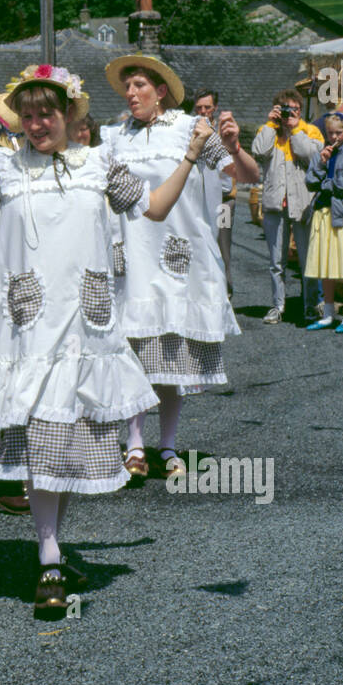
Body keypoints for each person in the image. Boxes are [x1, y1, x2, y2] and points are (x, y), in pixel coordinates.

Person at [0, 63, 207, 613]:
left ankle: (54, 553)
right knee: (42, 450)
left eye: (48, 112)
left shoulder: (100, 164)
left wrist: (187, 159)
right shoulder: (1, 168)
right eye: (29, 114)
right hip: (29, 337)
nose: (38, 123)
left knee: (62, 455)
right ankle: (48, 561)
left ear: (69, 115)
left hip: (87, 336)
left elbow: (155, 208)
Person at [102, 54, 258, 478]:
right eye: (128, 88)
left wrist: (235, 147)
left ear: (161, 91)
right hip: (132, 255)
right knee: (132, 353)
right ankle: (134, 444)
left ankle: (167, 445)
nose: (131, 94)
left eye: (139, 86)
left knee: (171, 359)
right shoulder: (114, 136)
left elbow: (246, 175)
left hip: (177, 255)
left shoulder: (191, 129)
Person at [251, 89, 324, 324]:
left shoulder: (310, 131)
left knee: (306, 259)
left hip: (302, 203)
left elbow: (310, 156)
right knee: (276, 261)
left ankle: (311, 304)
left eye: (292, 109)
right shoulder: (268, 131)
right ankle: (277, 305)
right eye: (283, 109)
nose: (287, 113)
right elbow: (258, 151)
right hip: (275, 204)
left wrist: (294, 129)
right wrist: (271, 125)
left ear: (299, 111)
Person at [303, 113, 343, 333]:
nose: (334, 137)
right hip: (323, 213)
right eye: (330, 133)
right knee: (325, 266)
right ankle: (328, 315)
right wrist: (322, 165)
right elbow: (310, 182)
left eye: (339, 132)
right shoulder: (321, 152)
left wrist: (324, 182)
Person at [191, 89, 236, 298]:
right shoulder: (192, 131)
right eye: (199, 107)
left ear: (214, 108)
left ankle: (226, 288)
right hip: (202, 197)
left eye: (207, 107)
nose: (202, 111)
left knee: (223, 244)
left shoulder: (223, 132)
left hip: (225, 201)